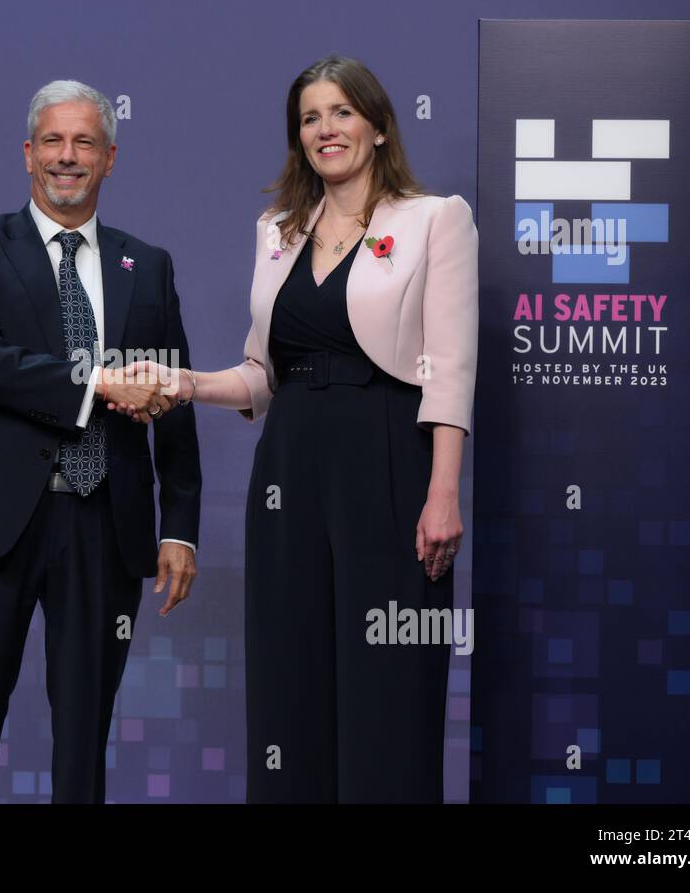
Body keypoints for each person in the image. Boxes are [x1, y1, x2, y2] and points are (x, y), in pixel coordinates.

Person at [124, 56, 478, 802]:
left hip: (389, 460)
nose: (326, 129)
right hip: (289, 469)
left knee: (389, 677)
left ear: (378, 126)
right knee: (291, 671)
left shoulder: (434, 219)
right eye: (310, 118)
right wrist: (183, 384)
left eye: (343, 112)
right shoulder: (278, 231)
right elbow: (262, 374)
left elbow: (448, 368)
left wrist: (443, 491)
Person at [0, 80, 201, 803]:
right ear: (29, 154)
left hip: (106, 524)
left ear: (110, 158)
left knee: (83, 745)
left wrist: (181, 528)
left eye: (86, 143)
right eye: (55, 142)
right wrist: (98, 381)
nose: (69, 157)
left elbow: (175, 394)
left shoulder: (147, 264)